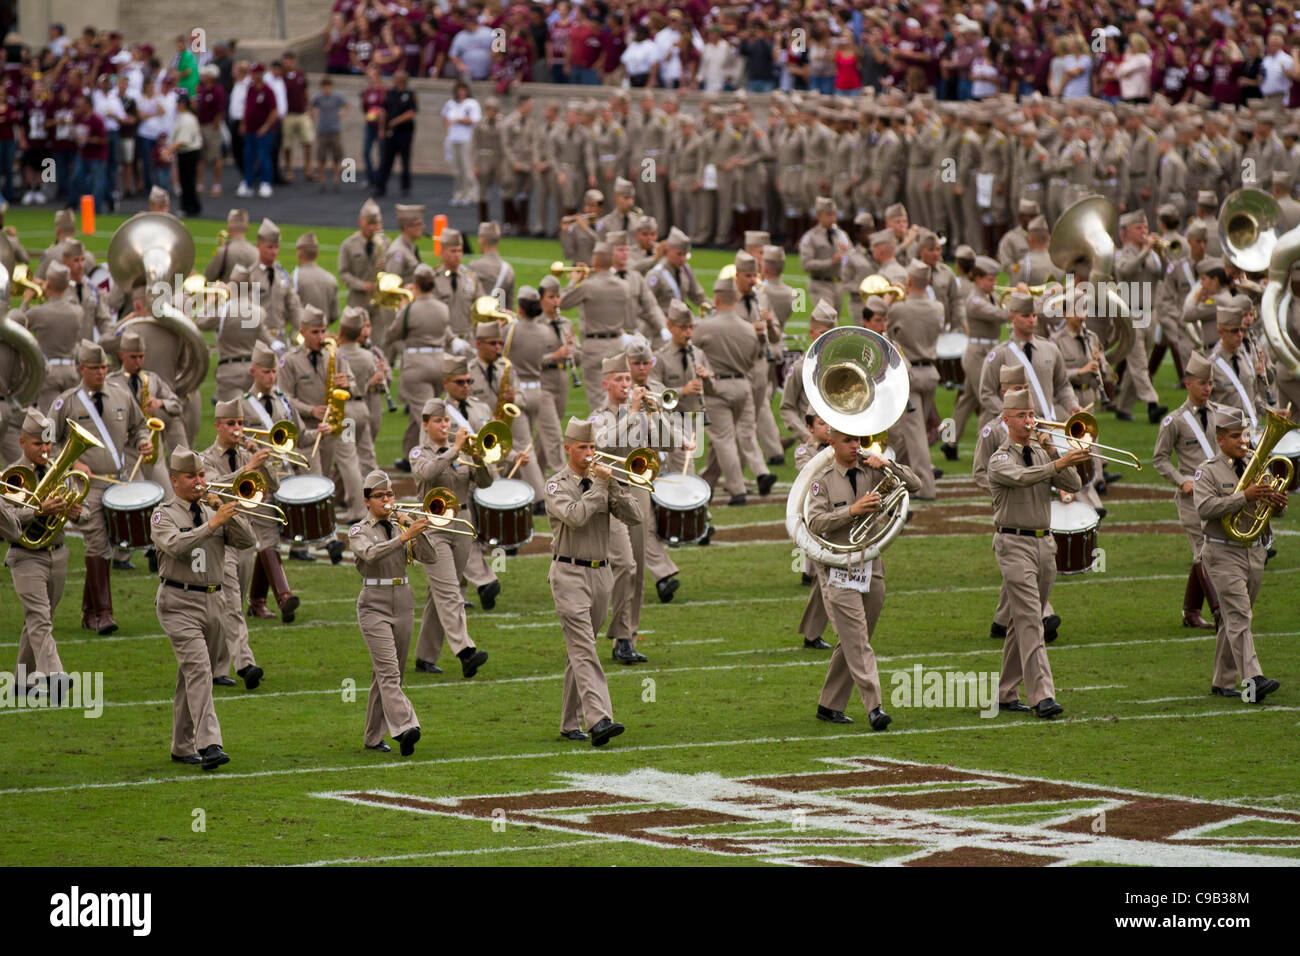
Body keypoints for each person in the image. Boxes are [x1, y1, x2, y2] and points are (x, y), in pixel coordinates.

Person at [807, 427, 923, 728]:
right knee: (857, 640)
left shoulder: (872, 471)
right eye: (848, 441)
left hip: (871, 566)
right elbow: (815, 523)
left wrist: (886, 464)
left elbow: (915, 484)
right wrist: (852, 511)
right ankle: (875, 707)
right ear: (832, 443)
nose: (856, 446)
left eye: (858, 440)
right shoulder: (822, 482)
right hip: (838, 567)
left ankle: (829, 704)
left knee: (855, 639)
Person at [151, 446, 255, 770]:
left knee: (191, 675)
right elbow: (175, 546)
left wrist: (224, 511)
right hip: (178, 602)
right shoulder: (163, 514)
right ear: (174, 480)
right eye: (190, 476)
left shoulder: (213, 508)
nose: (198, 481)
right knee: (200, 671)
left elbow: (248, 540)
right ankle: (210, 744)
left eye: (200, 475)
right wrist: (211, 526)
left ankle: (182, 747)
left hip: (214, 600)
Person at [987, 389, 1089, 719]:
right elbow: (1021, 478)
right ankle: (1042, 695)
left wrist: (1054, 449)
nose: (1030, 421)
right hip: (1013, 544)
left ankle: (1005, 692)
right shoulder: (1000, 458)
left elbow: (1073, 484)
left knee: (1023, 621)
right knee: (1033, 619)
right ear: (1006, 420)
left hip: (1045, 544)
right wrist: (1056, 461)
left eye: (1032, 415)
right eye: (1023, 416)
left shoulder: (1042, 452)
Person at [547, 417, 638, 746]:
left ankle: (570, 722)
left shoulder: (602, 481)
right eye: (583, 447)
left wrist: (615, 487)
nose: (589, 453)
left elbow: (635, 517)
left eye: (593, 447)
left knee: (580, 650)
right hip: (569, 573)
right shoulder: (556, 485)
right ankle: (599, 719)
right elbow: (576, 516)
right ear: (568, 448)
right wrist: (600, 487)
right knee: (584, 649)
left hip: (602, 574)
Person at [50, 340, 152, 634]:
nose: (100, 372)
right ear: (80, 368)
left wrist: (143, 442)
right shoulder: (65, 402)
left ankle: (88, 612)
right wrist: (71, 465)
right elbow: (49, 443)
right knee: (97, 542)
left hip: (119, 481)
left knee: (107, 543)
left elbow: (139, 426)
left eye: (104, 367)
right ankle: (105, 614)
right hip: (86, 486)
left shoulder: (122, 394)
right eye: (94, 368)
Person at [1193, 407, 1285, 703]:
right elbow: (1204, 509)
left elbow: (1272, 510)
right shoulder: (1207, 471)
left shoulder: (1257, 465)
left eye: (1244, 435)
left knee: (1233, 619)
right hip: (1222, 553)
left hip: (1254, 550)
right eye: (1235, 436)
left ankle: (1223, 681)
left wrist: (1277, 502)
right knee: (1240, 615)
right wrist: (1243, 497)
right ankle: (1253, 682)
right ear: (1220, 439)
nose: (1242, 441)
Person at [348, 469, 432, 755]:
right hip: (374, 602)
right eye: (379, 496)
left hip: (404, 599)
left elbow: (430, 558)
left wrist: (419, 532)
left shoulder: (400, 525)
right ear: (367, 501)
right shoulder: (359, 530)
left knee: (386, 674)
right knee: (389, 672)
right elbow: (369, 554)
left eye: (390, 494)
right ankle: (407, 726)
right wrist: (404, 535)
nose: (386, 500)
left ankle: (373, 736)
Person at [408, 397, 491, 677]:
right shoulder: (419, 453)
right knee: (450, 592)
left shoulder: (464, 452)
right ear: (426, 425)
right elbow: (429, 474)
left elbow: (486, 483)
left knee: (441, 592)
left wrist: (478, 460)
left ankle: (425, 657)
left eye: (446, 421)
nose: (444, 425)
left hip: (462, 523)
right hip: (432, 527)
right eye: (438, 421)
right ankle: (466, 651)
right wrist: (454, 450)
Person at [3, 409, 80, 702]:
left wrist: (75, 511)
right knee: (40, 618)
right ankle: (54, 675)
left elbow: (79, 519)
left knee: (37, 620)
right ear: (22, 442)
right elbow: (6, 520)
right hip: (26, 556)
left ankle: (22, 683)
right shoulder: (13, 477)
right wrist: (38, 511)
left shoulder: (58, 470)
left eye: (48, 444)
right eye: (38, 444)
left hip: (58, 554)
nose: (45, 450)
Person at [197, 400, 271, 688]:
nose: (238, 429)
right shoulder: (204, 459)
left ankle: (217, 669)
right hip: (222, 540)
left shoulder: (244, 454)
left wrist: (260, 459)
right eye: (231, 423)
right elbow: (214, 487)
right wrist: (249, 468)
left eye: (240, 423)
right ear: (217, 425)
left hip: (247, 537)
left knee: (232, 606)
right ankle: (246, 663)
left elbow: (271, 486)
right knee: (231, 607)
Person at [1154, 352, 1230, 630]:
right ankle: (1221, 612)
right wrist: (1180, 481)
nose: (1208, 388)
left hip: (1220, 493)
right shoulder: (1174, 421)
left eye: (1210, 383)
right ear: (1188, 383)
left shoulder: (1221, 414)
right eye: (1202, 383)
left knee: (1207, 551)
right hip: (1192, 495)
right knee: (1204, 551)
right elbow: (1159, 459)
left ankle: (1190, 612)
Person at [279, 306, 365, 531]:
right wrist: (310, 410)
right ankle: (316, 529)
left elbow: (355, 386)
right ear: (303, 332)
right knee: (316, 476)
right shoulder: (290, 360)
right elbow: (284, 397)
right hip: (310, 429)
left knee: (350, 463)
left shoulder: (335, 355)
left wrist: (348, 385)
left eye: (324, 331)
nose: (321, 337)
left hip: (338, 421)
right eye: (315, 332)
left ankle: (358, 512)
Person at [237, 63, 278, 199]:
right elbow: (246, 107)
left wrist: (265, 127)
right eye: (252, 73)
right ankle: (248, 183)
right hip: (250, 129)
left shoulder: (268, 90)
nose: (253, 76)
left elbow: (274, 111)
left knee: (263, 156)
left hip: (264, 131)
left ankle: (265, 182)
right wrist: (243, 123)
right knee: (248, 156)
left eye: (256, 73)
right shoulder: (250, 89)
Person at [375, 71, 417, 198]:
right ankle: (381, 186)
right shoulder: (390, 93)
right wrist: (381, 128)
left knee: (405, 160)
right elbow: (383, 111)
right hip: (390, 133)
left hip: (404, 132)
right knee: (386, 160)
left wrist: (397, 121)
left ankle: (405, 187)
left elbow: (411, 113)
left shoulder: (410, 95)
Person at [310, 75, 346, 192]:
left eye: (328, 87)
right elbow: (311, 106)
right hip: (323, 130)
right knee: (322, 157)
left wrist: (342, 113)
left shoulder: (337, 96)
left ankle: (336, 179)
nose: (327, 90)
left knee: (336, 156)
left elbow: (346, 104)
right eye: (325, 88)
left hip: (334, 129)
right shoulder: (318, 97)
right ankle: (322, 180)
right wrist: (313, 113)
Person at [203, 209, 259, 283]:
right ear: (247, 227)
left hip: (228, 293)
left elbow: (207, 279)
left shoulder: (222, 251)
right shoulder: (256, 252)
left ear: (229, 227)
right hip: (248, 294)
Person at [171, 91, 202, 217]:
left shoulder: (187, 119)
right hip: (188, 152)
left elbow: (183, 140)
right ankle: (192, 205)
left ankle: (189, 207)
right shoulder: (184, 117)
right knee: (187, 181)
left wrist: (168, 149)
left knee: (187, 181)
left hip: (189, 152)